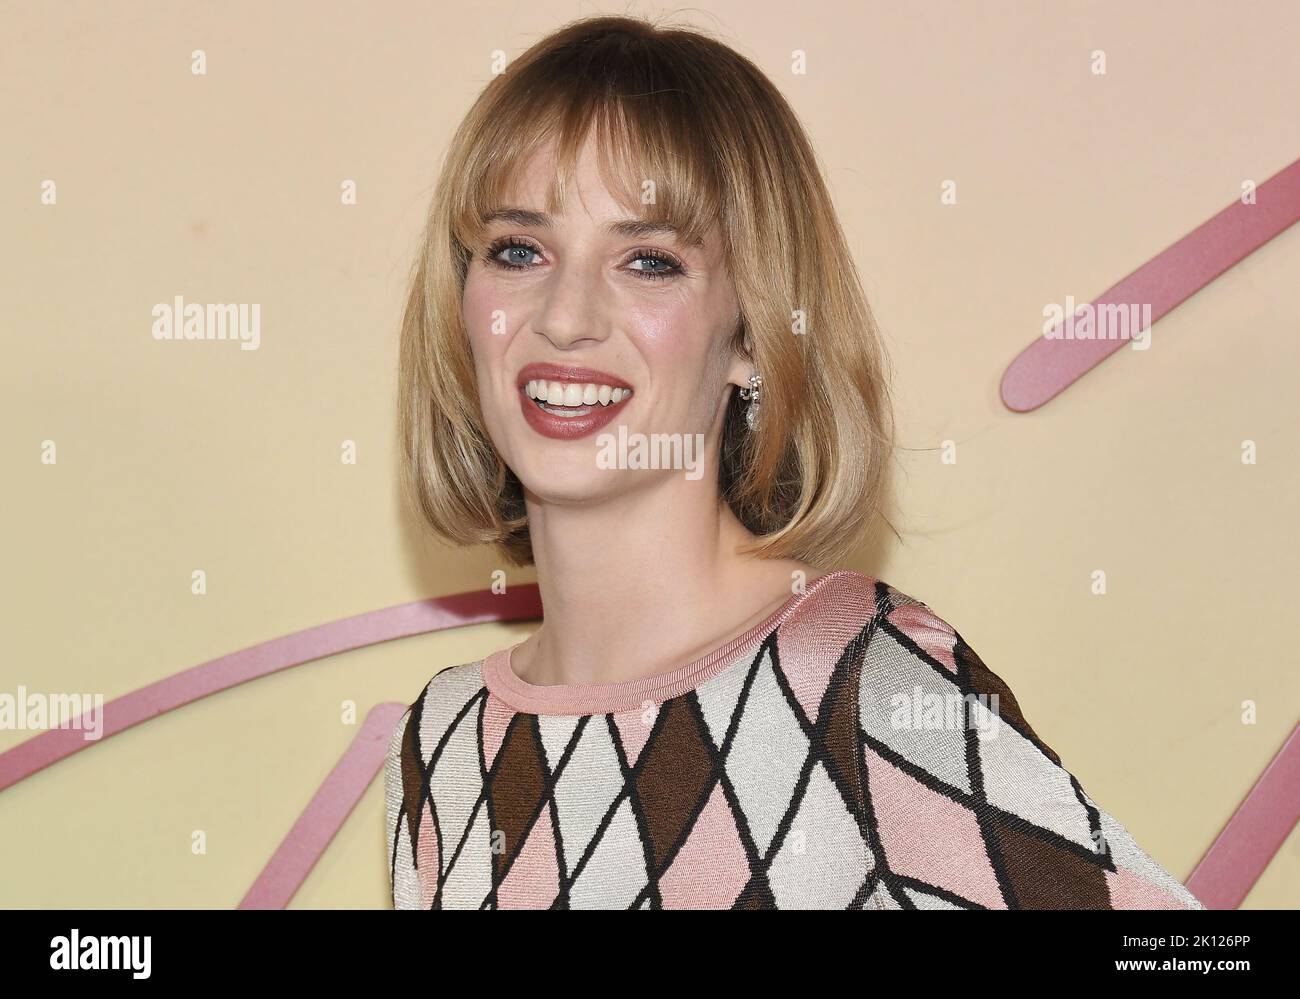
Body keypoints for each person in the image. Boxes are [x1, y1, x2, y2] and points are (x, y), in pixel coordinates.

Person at [384, 13, 1204, 910]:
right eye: (518, 250)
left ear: (753, 333)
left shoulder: (858, 679)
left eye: (649, 260)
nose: (566, 315)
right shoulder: (443, 741)